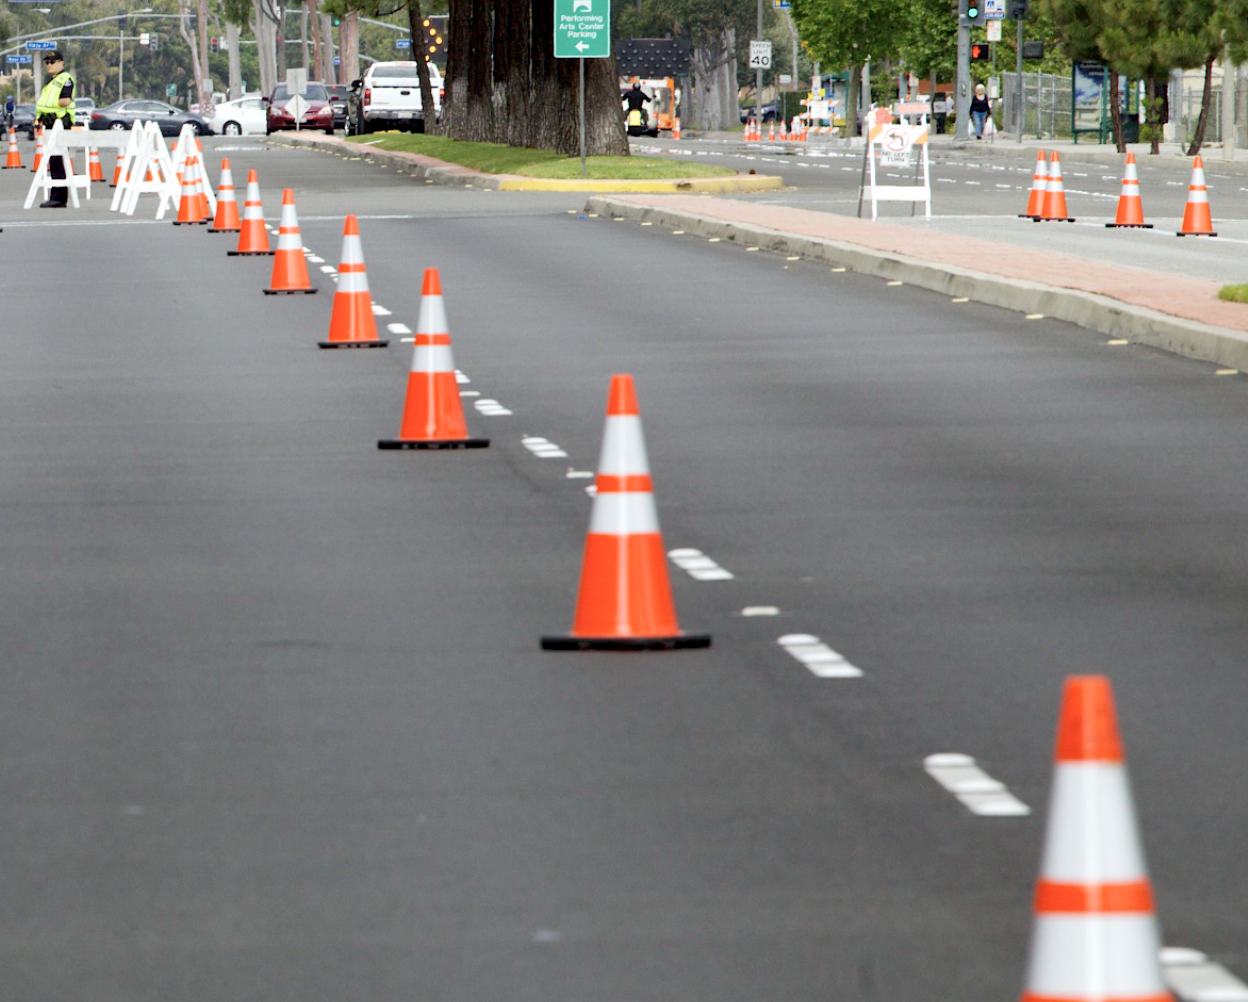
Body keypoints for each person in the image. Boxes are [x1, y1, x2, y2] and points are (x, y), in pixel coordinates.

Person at [35, 49, 74, 208]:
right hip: (50, 124)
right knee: (54, 161)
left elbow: (65, 101)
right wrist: (39, 120)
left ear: (61, 63)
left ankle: (58, 197)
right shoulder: (51, 82)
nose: (49, 65)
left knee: (58, 161)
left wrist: (49, 107)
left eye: (52, 62)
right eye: (47, 63)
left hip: (60, 123)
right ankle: (56, 196)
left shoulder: (65, 79)